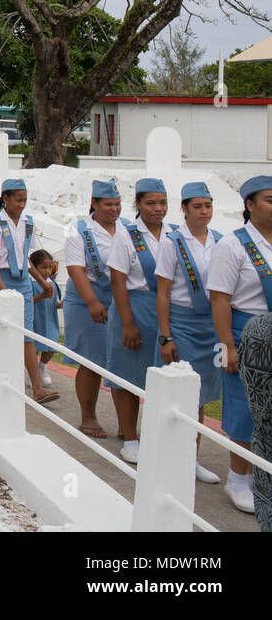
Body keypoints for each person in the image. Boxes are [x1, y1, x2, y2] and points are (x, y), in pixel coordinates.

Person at [206, 174, 272, 515]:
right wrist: (227, 346)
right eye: (270, 200)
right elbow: (220, 298)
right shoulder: (233, 245)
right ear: (249, 205)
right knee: (244, 406)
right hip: (247, 332)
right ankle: (238, 479)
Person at [156, 181, 226, 486]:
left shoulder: (221, 241)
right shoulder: (172, 242)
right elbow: (163, 292)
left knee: (202, 396)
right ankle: (169, 457)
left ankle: (191, 458)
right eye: (197, 206)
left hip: (210, 325)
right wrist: (166, 335)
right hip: (182, 323)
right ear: (184, 209)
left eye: (208, 205)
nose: (204, 211)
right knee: (180, 394)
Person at [0, 178, 59, 403]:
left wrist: (41, 281)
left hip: (23, 283)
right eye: (18, 200)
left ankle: (37, 389)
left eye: (24, 200)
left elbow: (26, 258)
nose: (21, 205)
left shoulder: (28, 223)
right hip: (1, 279)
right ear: (6, 199)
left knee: (26, 334)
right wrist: (2, 290)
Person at [107, 178, 174, 463]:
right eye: (150, 203)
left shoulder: (174, 234)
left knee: (162, 376)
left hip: (167, 312)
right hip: (133, 306)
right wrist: (128, 323)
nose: (158, 209)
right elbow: (118, 282)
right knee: (127, 374)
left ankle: (158, 437)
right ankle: (130, 436)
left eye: (162, 203)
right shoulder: (127, 234)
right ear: (138, 204)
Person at [59, 179, 125, 438]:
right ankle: (88, 417)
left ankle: (126, 425)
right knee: (92, 361)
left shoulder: (128, 228)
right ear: (94, 204)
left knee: (121, 362)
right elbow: (75, 269)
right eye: (108, 204)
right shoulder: (78, 231)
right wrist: (93, 303)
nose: (114, 209)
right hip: (87, 298)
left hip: (119, 299)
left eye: (118, 204)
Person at [29, 250, 62, 384]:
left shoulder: (52, 283)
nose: (47, 271)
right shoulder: (30, 283)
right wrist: (41, 296)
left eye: (49, 267)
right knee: (34, 347)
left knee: (52, 345)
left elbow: (55, 302)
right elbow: (29, 301)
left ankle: (42, 366)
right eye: (43, 267)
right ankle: (34, 374)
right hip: (36, 320)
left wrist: (62, 305)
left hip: (51, 320)